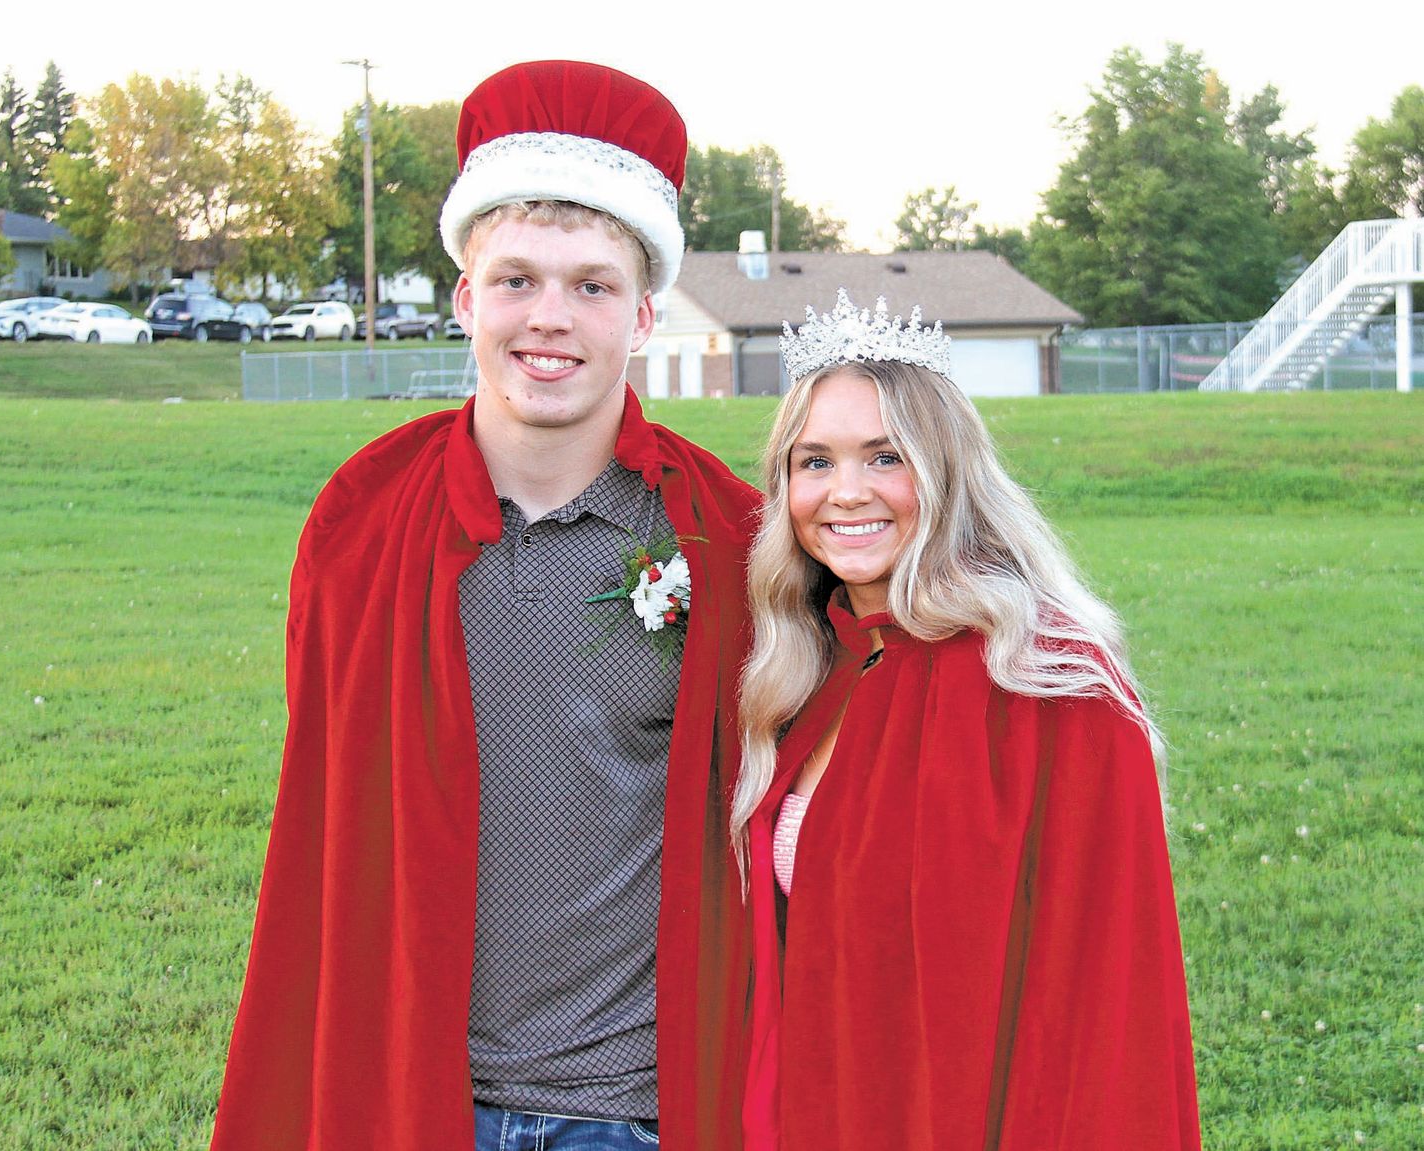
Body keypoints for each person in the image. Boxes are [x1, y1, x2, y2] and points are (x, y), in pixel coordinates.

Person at [210, 61, 758, 1151]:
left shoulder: (728, 536)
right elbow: (337, 820)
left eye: (592, 286)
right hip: (413, 1091)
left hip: (635, 1110)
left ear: (645, 312)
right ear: (465, 296)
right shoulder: (362, 518)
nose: (549, 319)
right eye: (517, 279)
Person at [732, 290, 1201, 1149]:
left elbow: (1104, 1002)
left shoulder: (1048, 681)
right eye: (816, 461)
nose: (845, 493)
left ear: (945, 469)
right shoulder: (814, 668)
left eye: (884, 457)